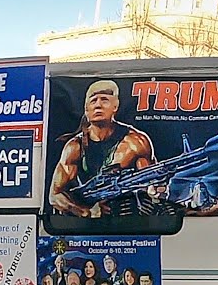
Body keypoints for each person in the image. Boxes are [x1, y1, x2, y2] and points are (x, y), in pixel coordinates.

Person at [48, 79, 157, 217]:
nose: (98, 105)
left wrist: (155, 191)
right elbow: (55, 196)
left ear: (115, 106)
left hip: (128, 219)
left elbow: (151, 183)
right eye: (93, 101)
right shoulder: (75, 147)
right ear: (86, 109)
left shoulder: (135, 142)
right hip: (87, 225)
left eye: (104, 100)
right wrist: (86, 213)